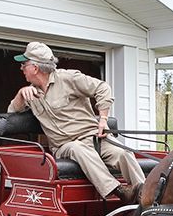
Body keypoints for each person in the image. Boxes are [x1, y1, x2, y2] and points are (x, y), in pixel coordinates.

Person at [8, 41, 145, 203]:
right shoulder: (29, 94)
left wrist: (102, 119)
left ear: (35, 68)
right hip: (65, 146)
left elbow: (102, 88)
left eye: (24, 64)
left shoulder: (69, 78)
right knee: (78, 148)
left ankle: (145, 195)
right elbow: (10, 114)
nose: (21, 68)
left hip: (94, 138)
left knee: (124, 153)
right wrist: (20, 95)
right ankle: (120, 192)